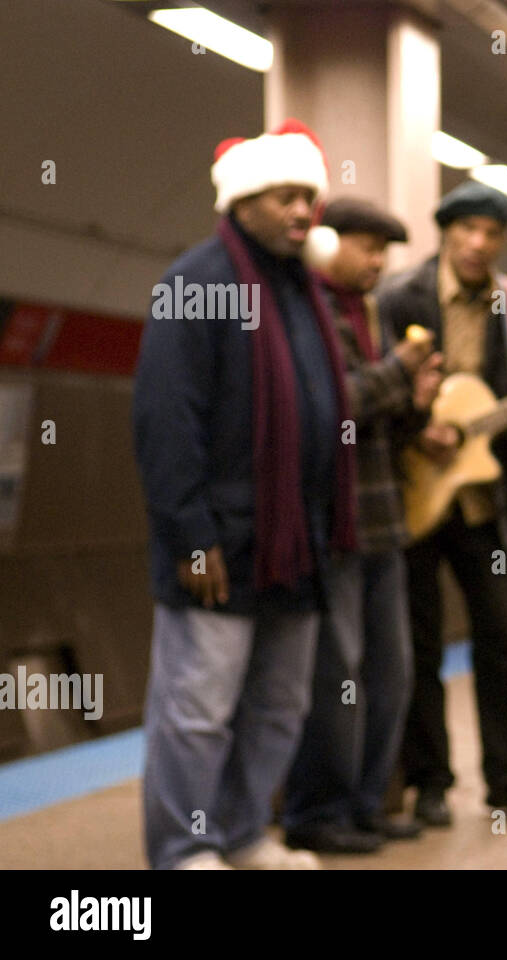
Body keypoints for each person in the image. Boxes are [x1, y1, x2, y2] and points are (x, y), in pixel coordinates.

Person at [133, 120, 354, 869]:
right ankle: (184, 846)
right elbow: (167, 420)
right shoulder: (196, 283)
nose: (303, 212)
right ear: (245, 200)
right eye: (286, 196)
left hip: (293, 547)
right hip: (219, 546)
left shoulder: (301, 292)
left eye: (309, 197)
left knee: (276, 707)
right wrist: (191, 535)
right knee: (197, 712)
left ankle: (242, 834)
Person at [377, 182, 507, 826]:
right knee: (420, 644)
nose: (478, 243)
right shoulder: (397, 298)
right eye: (466, 230)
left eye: (491, 234)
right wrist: (417, 430)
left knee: (505, 635)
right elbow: (374, 396)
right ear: (446, 234)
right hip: (415, 495)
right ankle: (430, 782)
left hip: (485, 502)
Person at [281, 199, 444, 853]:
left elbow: (375, 423)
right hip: (336, 525)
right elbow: (335, 404)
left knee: (390, 671)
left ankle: (367, 802)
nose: (377, 262)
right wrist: (400, 374)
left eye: (384, 250)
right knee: (337, 674)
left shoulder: (371, 316)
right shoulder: (311, 311)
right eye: (366, 246)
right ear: (330, 243)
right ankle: (318, 811)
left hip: (384, 520)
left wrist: (415, 401)